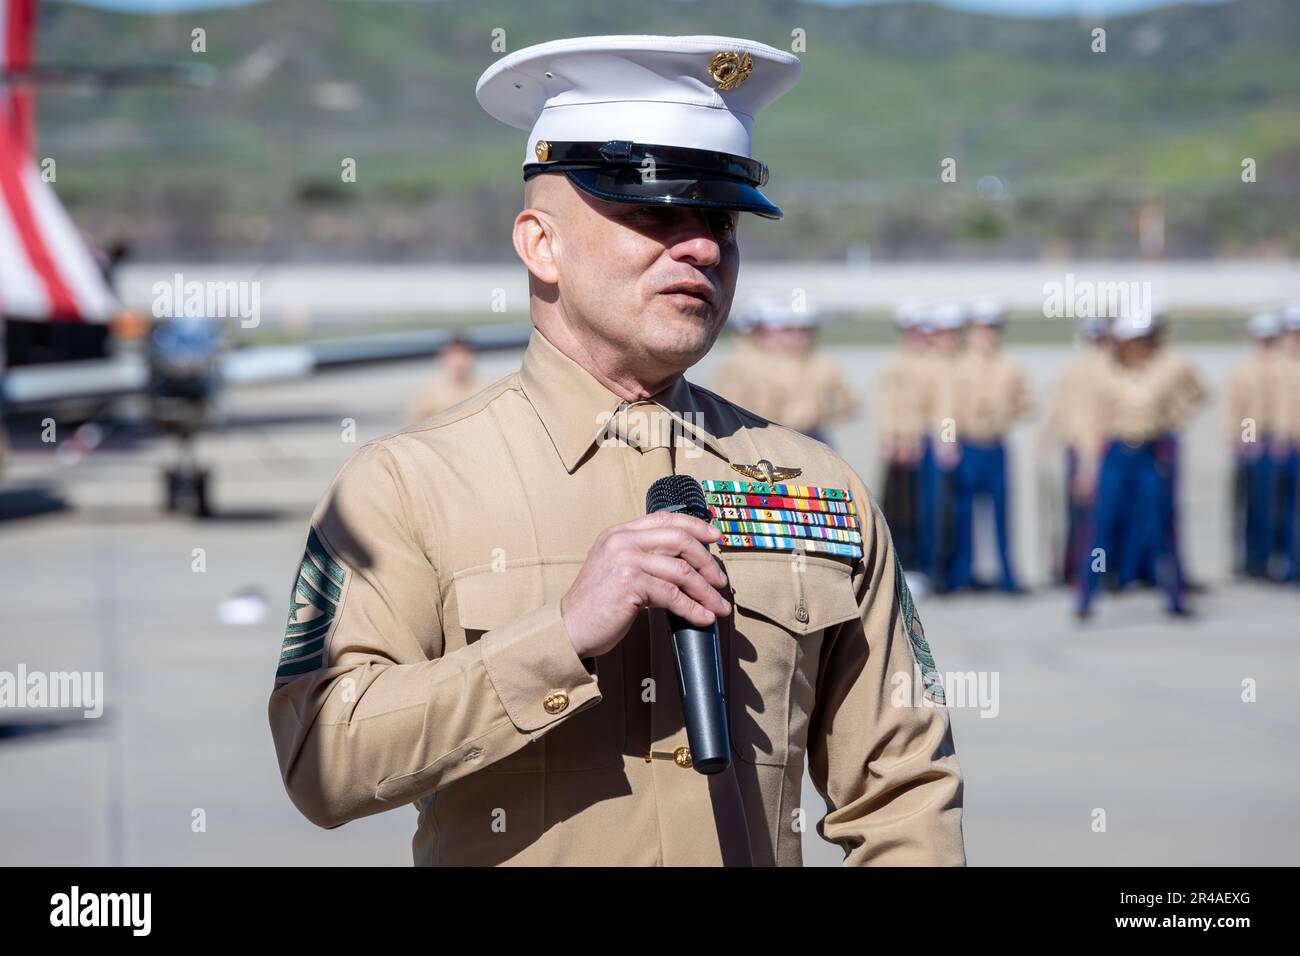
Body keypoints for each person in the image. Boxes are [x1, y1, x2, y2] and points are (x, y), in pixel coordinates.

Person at [267, 35, 964, 867]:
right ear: (540, 245)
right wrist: (558, 637)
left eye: (719, 220)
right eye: (654, 213)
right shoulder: (407, 484)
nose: (702, 247)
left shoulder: (819, 487)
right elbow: (323, 762)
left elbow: (904, 794)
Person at [1077, 308, 1190, 618]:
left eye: (1145, 339)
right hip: (1116, 454)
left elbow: (1193, 395)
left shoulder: (1164, 370)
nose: (1140, 346)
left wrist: (1170, 423)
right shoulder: (1106, 372)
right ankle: (1087, 595)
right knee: (1102, 528)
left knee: (1161, 525)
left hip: (1149, 454)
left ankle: (1175, 596)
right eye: (1134, 340)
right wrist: (1086, 468)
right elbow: (1094, 423)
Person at [947, 300, 1032, 592]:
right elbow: (947, 409)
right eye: (982, 328)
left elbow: (1026, 403)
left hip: (996, 446)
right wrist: (949, 444)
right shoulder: (958, 365)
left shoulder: (1010, 366)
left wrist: (1007, 413)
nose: (987, 335)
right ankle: (962, 575)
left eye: (992, 328)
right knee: (964, 513)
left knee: (1002, 513)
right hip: (969, 446)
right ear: (972, 331)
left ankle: (1008, 575)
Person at [713, 297, 857, 446]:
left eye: (805, 330)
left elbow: (847, 404)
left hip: (813, 437)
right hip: (761, 439)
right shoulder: (739, 366)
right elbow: (727, 413)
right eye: (788, 330)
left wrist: (818, 413)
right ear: (762, 332)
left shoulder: (823, 364)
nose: (799, 337)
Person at [1044, 316, 1110, 586]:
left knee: (1103, 514)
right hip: (1080, 445)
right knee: (1077, 514)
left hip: (1106, 446)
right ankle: (1077, 568)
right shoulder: (1076, 371)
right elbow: (1061, 405)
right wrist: (1049, 435)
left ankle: (1101, 568)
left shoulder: (1112, 370)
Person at [1225, 311, 1284, 578]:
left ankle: (1271, 557)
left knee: (1273, 505)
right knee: (1249, 504)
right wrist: (1245, 439)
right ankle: (1250, 560)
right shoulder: (1245, 370)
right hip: (1254, 439)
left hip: (1277, 439)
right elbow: (1241, 409)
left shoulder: (1286, 368)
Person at [877, 299, 931, 571]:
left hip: (924, 444)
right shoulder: (896, 366)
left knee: (923, 509)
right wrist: (890, 438)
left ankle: (920, 563)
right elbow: (888, 406)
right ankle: (898, 562)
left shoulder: (935, 366)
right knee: (896, 507)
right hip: (899, 445)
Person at [918, 301, 966, 591]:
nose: (949, 339)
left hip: (965, 442)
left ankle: (957, 573)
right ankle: (932, 570)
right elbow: (928, 409)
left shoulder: (964, 364)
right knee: (933, 510)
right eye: (944, 333)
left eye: (953, 333)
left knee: (960, 511)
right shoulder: (926, 367)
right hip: (938, 443)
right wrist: (944, 441)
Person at [405, 335, 483, 423]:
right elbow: (412, 427)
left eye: (464, 355)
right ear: (444, 357)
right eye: (453, 355)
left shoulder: (484, 391)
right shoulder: (429, 395)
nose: (459, 361)